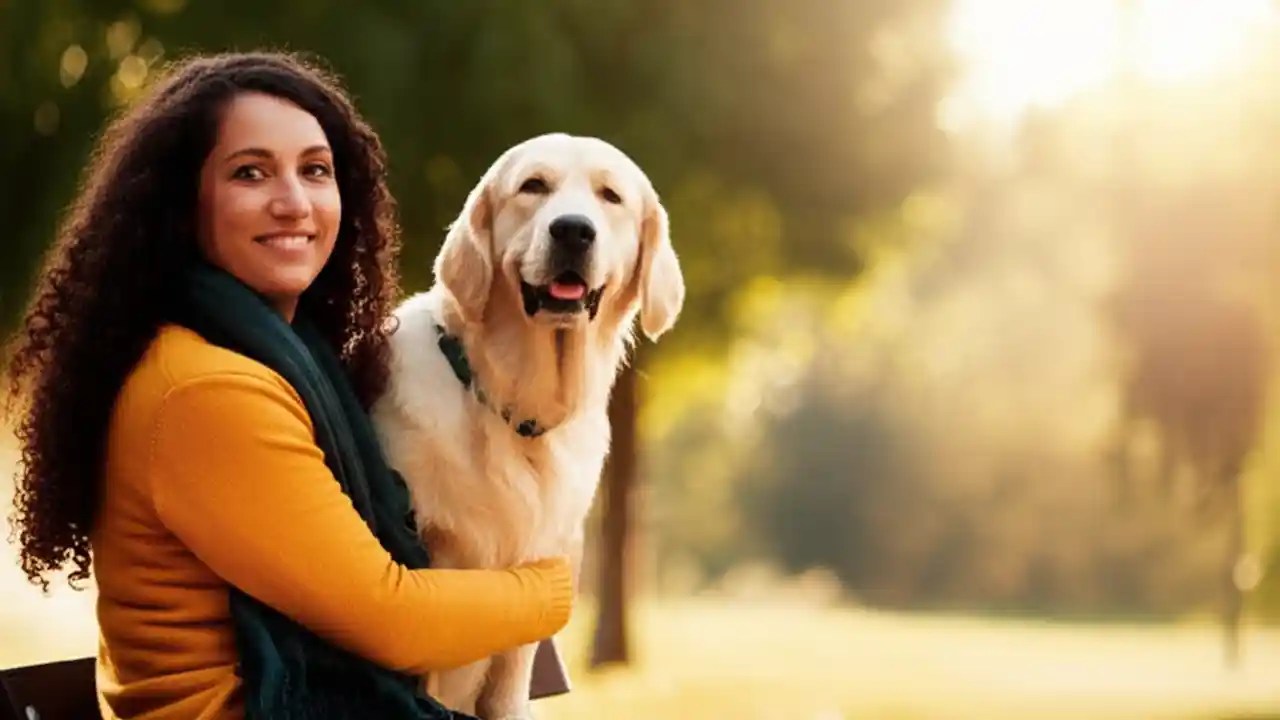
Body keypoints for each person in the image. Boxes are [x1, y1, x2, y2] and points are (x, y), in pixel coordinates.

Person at [2, 51, 574, 719]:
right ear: (182, 205)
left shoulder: (258, 358)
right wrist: (552, 585)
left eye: (315, 171)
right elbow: (390, 617)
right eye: (250, 173)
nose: (293, 202)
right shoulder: (205, 389)